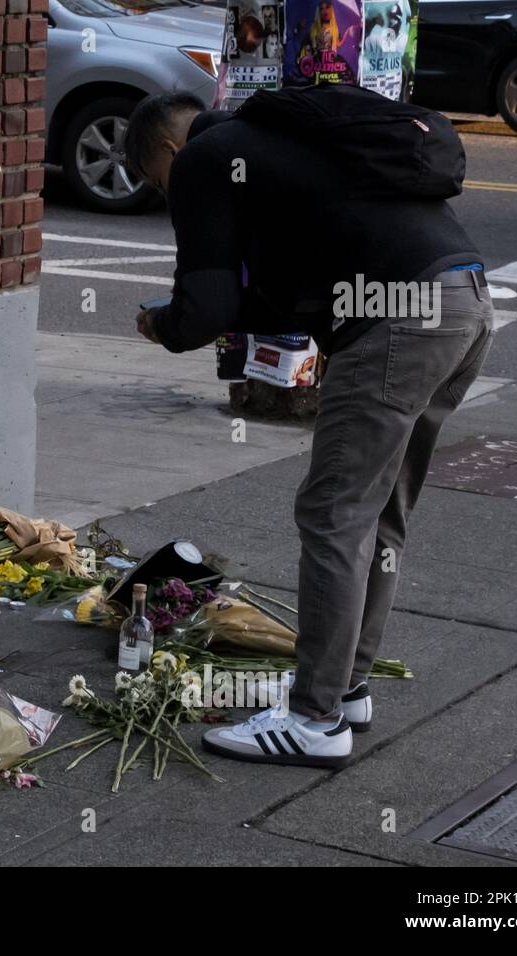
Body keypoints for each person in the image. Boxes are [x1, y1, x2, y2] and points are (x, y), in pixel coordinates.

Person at [124, 86, 493, 768]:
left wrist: (165, 325)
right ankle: (344, 687)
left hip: (398, 323)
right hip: (463, 299)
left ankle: (314, 720)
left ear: (170, 151)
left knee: (332, 514)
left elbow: (206, 306)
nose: (169, 195)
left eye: (159, 182)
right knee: (377, 512)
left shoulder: (207, 157)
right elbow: (266, 297)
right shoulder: (283, 142)